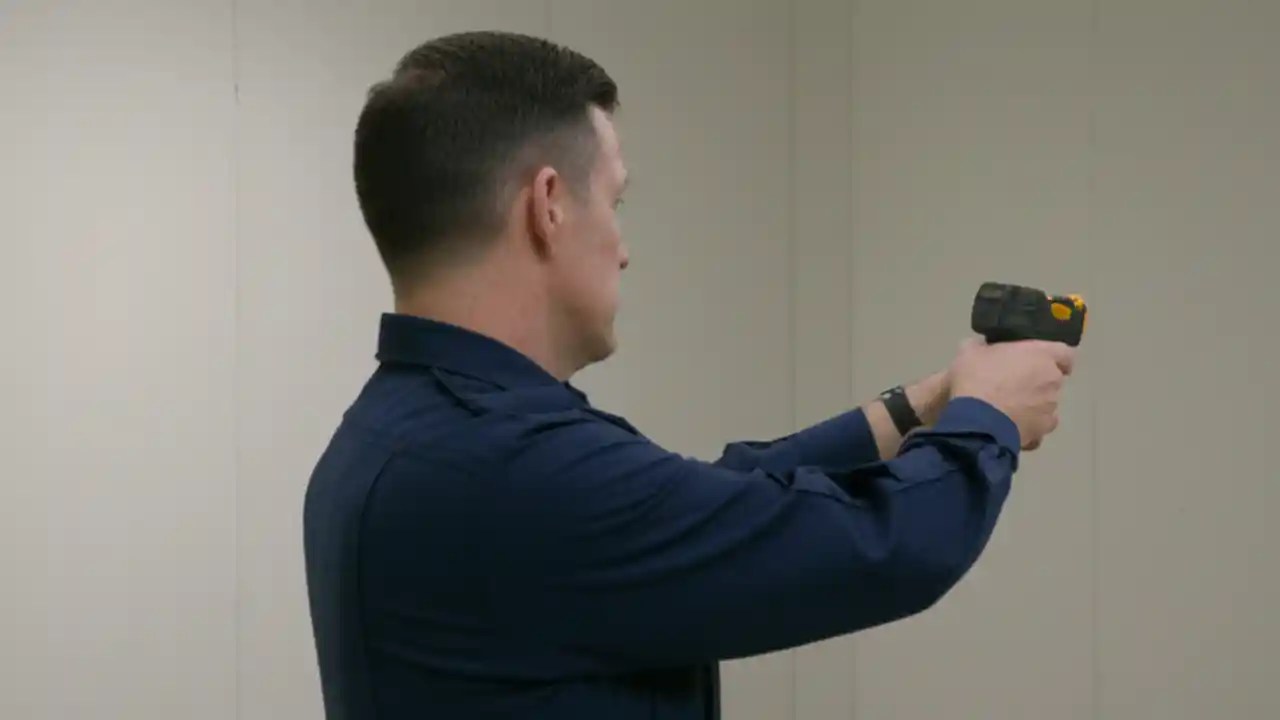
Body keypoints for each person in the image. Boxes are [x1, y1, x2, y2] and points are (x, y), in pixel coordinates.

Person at [302, 30, 1076, 720]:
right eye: (616, 201)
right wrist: (990, 418)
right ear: (548, 207)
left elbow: (704, 504)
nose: (625, 247)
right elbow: (889, 548)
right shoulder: (513, 465)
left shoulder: (410, 435)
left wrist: (923, 407)